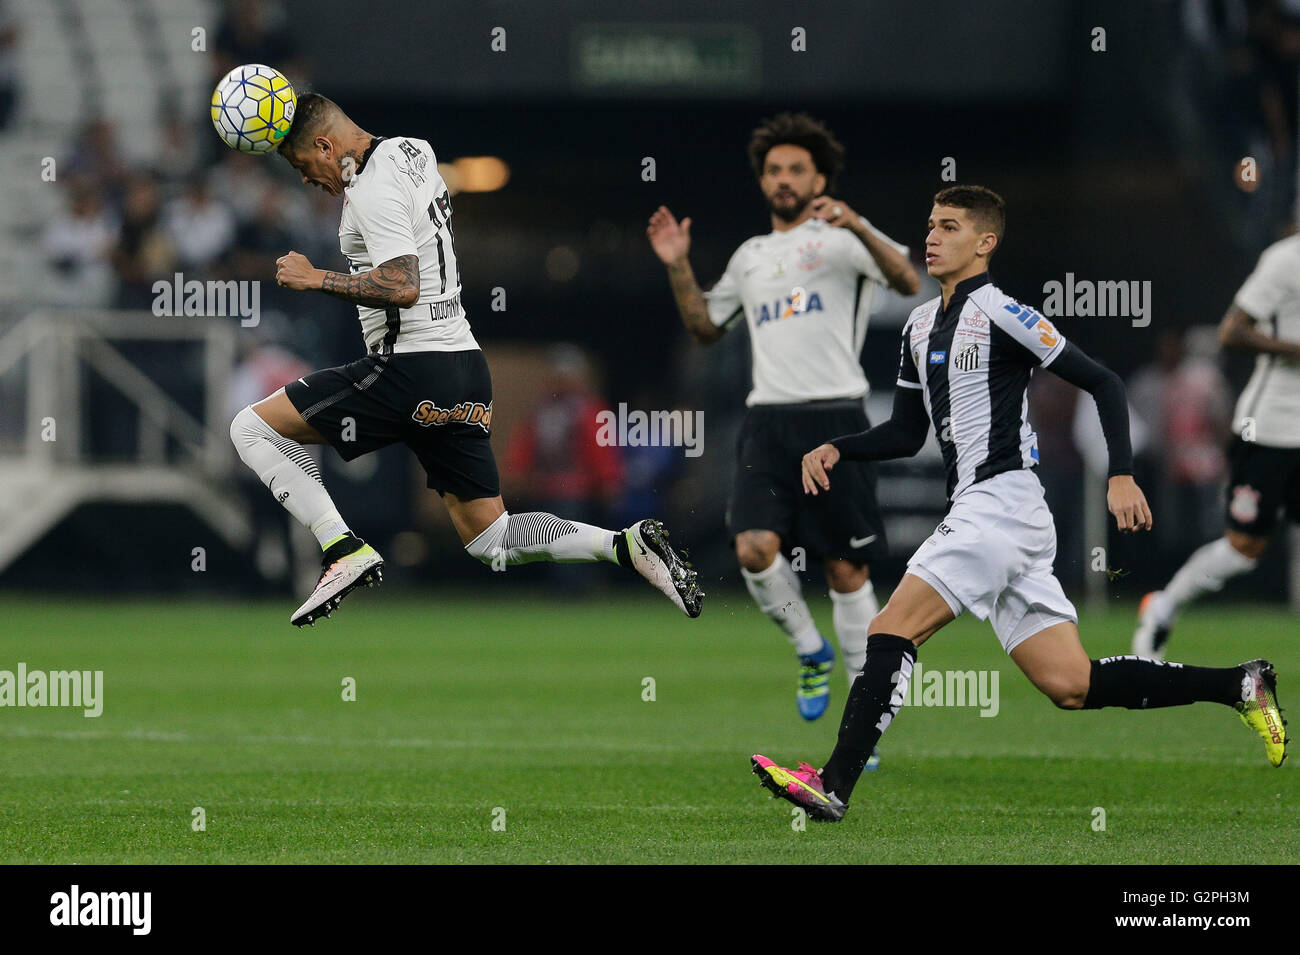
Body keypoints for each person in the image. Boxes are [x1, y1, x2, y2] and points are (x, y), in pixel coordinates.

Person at [752, 185, 1287, 822]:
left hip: (997, 508)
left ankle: (833, 785)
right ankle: (1238, 683)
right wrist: (838, 447)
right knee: (1070, 684)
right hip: (1007, 519)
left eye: (949, 227)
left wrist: (1121, 474)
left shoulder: (1004, 312)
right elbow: (906, 432)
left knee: (890, 628)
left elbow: (1103, 381)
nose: (932, 237)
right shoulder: (922, 325)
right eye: (929, 225)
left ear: (985, 243)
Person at [229, 91, 703, 626]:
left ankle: (340, 548)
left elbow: (402, 284)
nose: (306, 179)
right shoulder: (414, 150)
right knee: (491, 539)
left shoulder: (369, 191)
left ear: (323, 143)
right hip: (464, 369)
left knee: (250, 428)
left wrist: (316, 278)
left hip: (409, 364)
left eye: (303, 164)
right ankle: (626, 545)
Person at [647, 113, 919, 721]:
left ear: (818, 176)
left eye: (796, 169)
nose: (784, 179)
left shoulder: (844, 238)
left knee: (845, 569)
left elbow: (905, 278)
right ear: (763, 181)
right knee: (751, 547)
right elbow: (705, 327)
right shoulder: (751, 256)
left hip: (839, 420)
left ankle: (862, 711)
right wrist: (676, 262)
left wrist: (855, 222)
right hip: (767, 421)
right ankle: (809, 646)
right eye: (774, 170)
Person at [1133, 230, 1300, 658]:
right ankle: (1163, 608)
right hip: (1272, 429)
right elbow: (1233, 332)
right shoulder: (1285, 259)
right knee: (1244, 548)